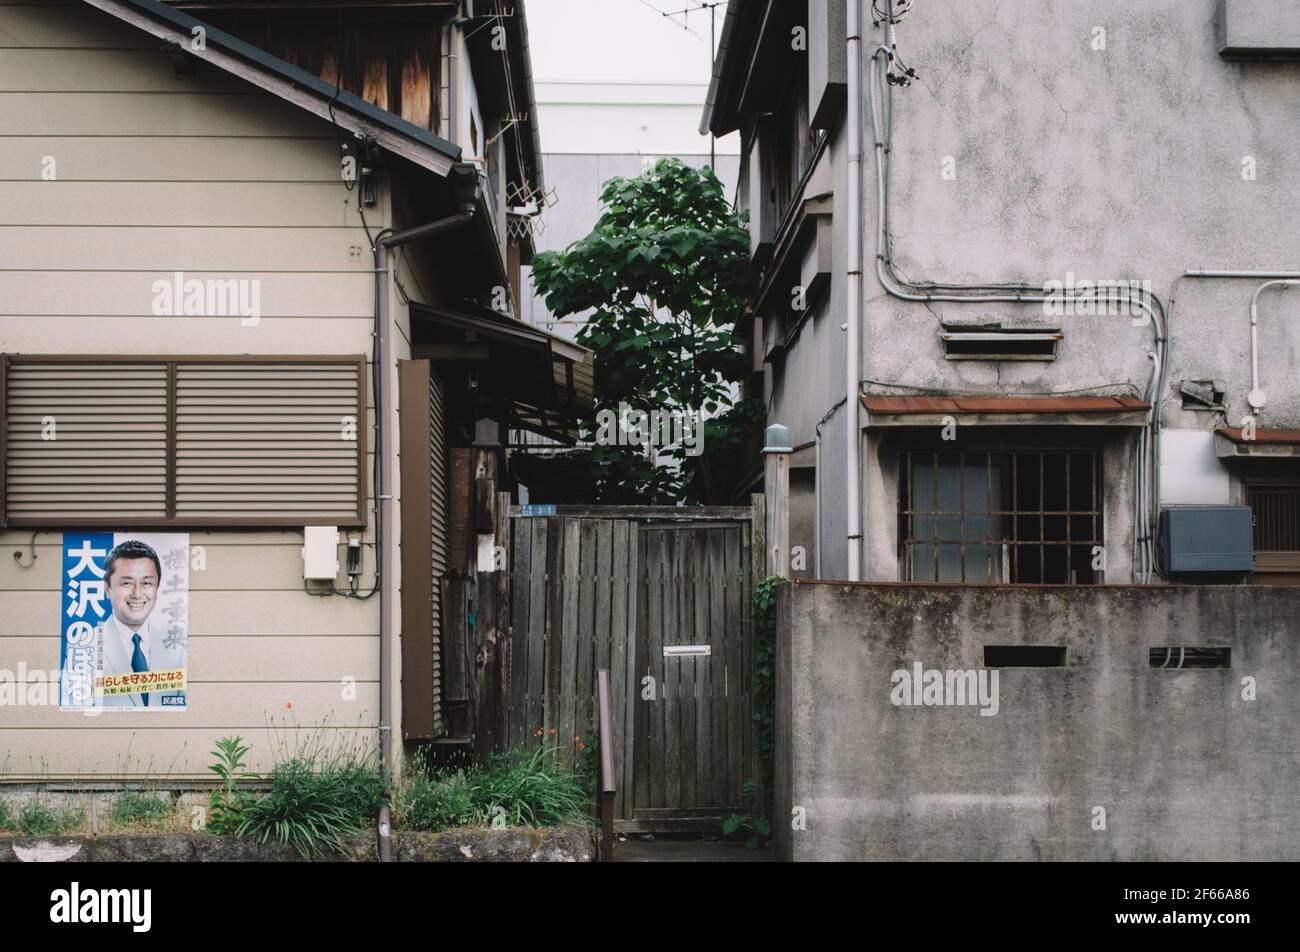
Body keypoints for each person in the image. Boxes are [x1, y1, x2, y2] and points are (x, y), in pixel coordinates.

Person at [96, 540, 184, 709]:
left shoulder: (177, 648)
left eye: (146, 583)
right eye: (127, 583)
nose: (137, 594)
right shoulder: (86, 646)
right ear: (107, 588)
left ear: (157, 587)